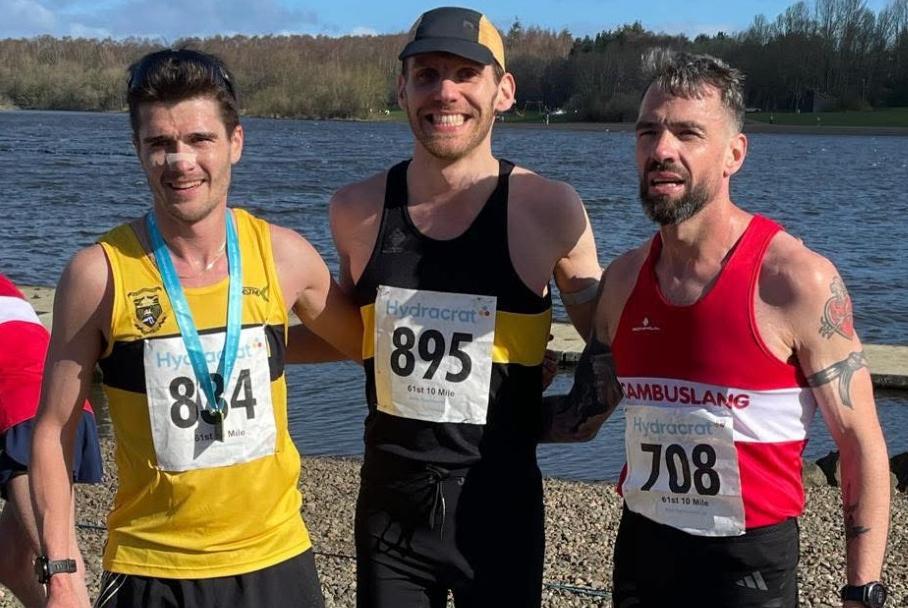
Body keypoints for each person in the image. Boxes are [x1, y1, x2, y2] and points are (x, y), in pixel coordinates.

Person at [29, 48, 362, 608]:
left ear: (236, 142)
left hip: (274, 561)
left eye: (200, 139)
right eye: (159, 143)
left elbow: (362, 345)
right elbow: (53, 429)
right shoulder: (98, 274)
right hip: (150, 566)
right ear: (138, 151)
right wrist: (62, 573)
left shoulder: (283, 257)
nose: (180, 161)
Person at [581, 48, 889, 607]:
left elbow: (860, 444)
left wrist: (862, 590)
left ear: (733, 154)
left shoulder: (797, 281)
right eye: (648, 132)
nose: (662, 150)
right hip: (644, 549)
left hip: (748, 563)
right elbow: (585, 413)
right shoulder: (623, 280)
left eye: (687, 133)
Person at [328, 6, 602, 607]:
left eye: (465, 74)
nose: (444, 92)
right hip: (389, 512)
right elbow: (346, 333)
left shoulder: (549, 208)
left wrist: (580, 412)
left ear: (503, 91)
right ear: (402, 88)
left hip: (499, 507)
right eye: (426, 75)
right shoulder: (355, 211)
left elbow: (610, 333)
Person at [0, 274, 102, 608]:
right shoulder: (5, 287)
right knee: (10, 560)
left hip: (24, 420)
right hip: (66, 406)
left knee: (63, 575)